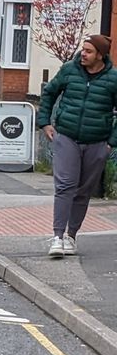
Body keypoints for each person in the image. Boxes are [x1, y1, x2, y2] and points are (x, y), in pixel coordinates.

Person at [37, 34, 117, 258]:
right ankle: (57, 236)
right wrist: (44, 122)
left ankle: (71, 236)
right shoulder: (69, 70)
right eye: (83, 49)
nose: (84, 54)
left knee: (83, 192)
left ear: (100, 55)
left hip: (97, 142)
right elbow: (50, 93)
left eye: (89, 51)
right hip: (67, 137)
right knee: (65, 186)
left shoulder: (113, 78)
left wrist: (111, 143)